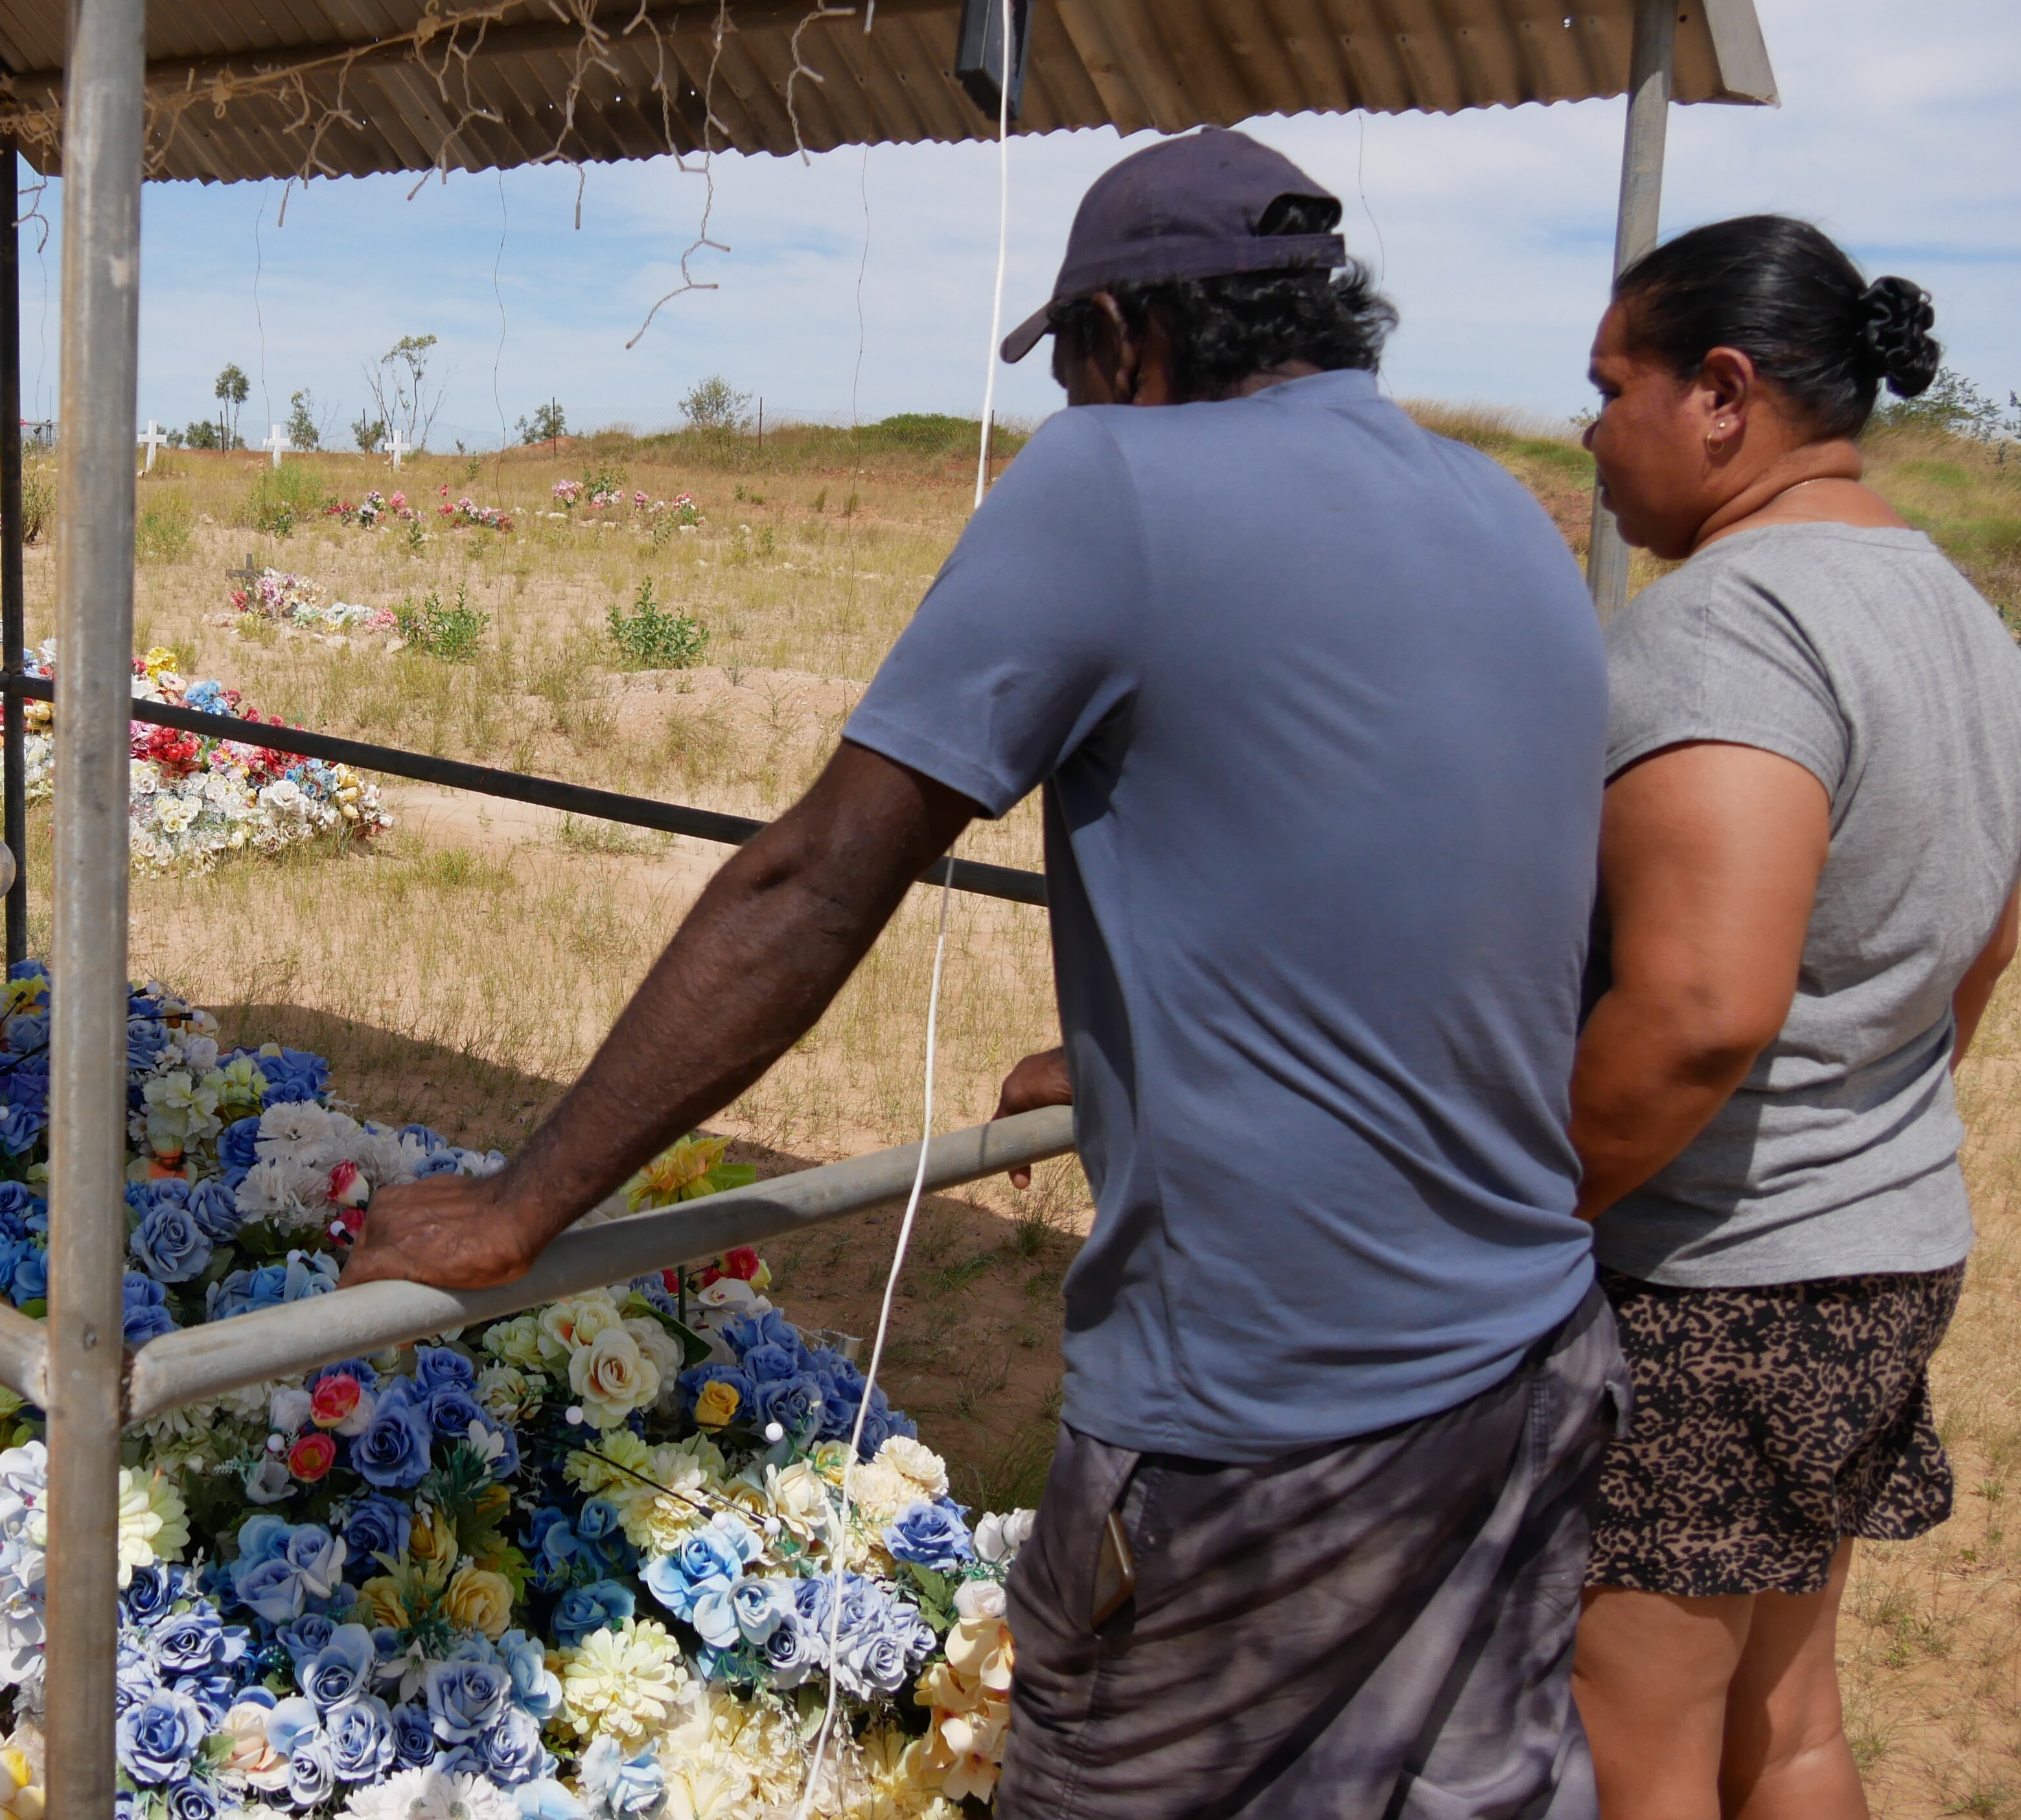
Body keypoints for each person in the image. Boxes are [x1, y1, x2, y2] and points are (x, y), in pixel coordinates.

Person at [347, 128, 1627, 1815]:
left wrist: (528, 1202)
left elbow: (812, 881)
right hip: (1528, 1368)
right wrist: (1135, 1069)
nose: (1072, 412)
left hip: (1264, 1433)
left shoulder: (1118, 485)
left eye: (1078, 371)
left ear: (1132, 339)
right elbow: (1450, 891)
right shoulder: (1505, 513)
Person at [1567, 217, 2021, 1820]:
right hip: (1886, 1251)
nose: (1589, 431)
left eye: (1609, 385)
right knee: (1788, 1720)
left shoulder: (1727, 624)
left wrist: (1508, 1212)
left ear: (1719, 393)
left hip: (1711, 1288)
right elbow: (1970, 970)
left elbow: (1700, 1007)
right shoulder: (1967, 627)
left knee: (1628, 1739)